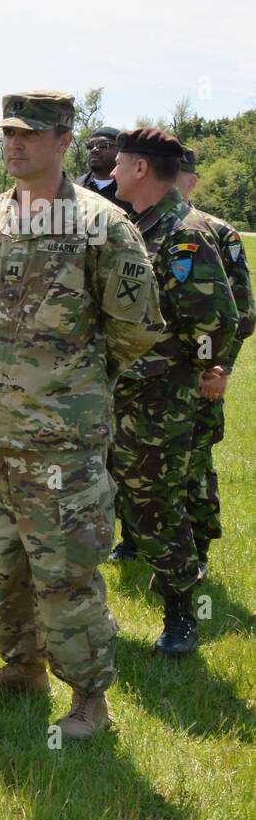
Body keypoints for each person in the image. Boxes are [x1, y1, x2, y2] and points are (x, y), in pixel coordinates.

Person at [0, 91, 161, 742]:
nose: (15, 144)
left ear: (64, 140)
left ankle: (89, 699)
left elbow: (133, 328)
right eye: (8, 133)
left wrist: (70, 386)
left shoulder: (103, 225)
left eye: (31, 134)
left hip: (60, 439)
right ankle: (22, 667)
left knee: (65, 571)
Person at [108, 128, 237, 657]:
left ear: (141, 169)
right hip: (123, 391)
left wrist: (204, 369)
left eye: (119, 163)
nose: (111, 172)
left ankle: (181, 614)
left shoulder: (182, 232)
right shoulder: (137, 225)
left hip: (160, 399)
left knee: (156, 506)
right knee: (127, 500)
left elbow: (216, 317)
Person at [177, 148, 255, 575]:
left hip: (201, 374)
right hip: (149, 376)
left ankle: (199, 549)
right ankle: (136, 543)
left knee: (194, 463)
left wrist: (220, 368)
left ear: (193, 180)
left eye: (181, 175)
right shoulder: (138, 227)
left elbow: (242, 313)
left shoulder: (218, 233)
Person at [74, 127, 131, 212]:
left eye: (103, 145)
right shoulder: (76, 187)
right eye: (90, 146)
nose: (94, 150)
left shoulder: (131, 189)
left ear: (120, 150)